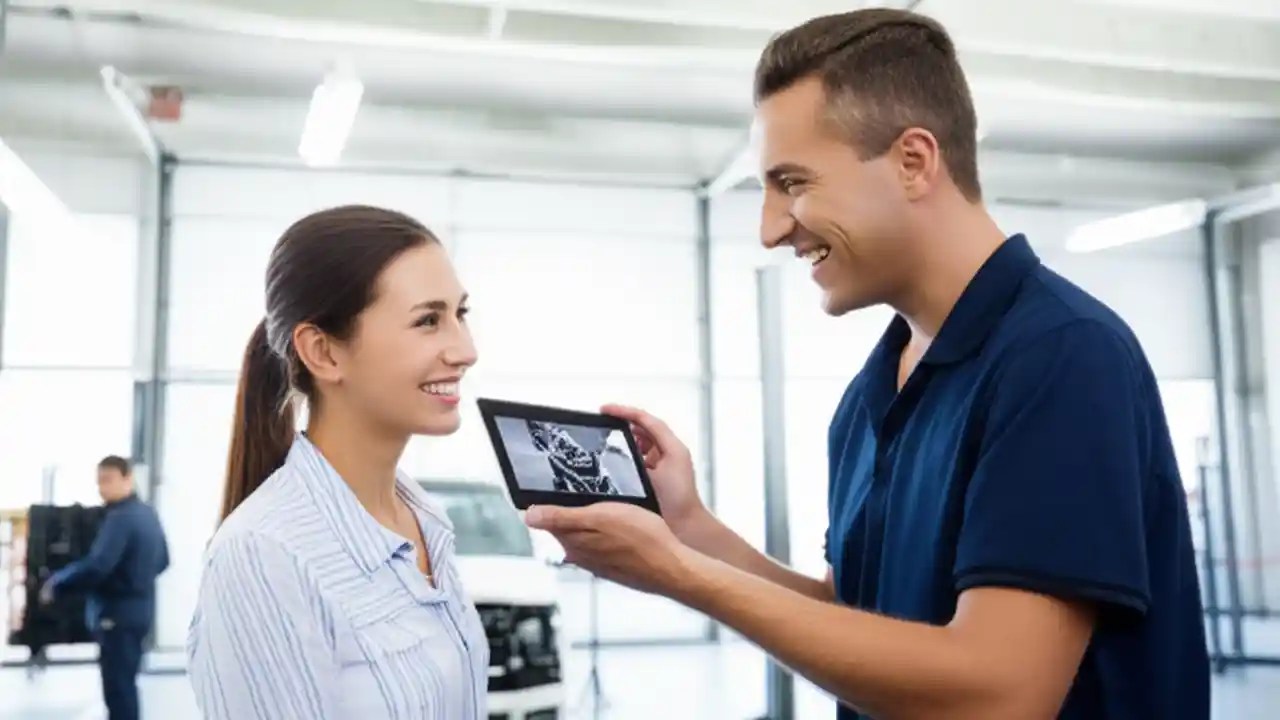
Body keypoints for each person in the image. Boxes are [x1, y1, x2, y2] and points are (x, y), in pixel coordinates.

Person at [525, 8, 1210, 720]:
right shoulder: (870, 397)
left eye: (793, 183)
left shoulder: (1062, 358)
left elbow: (1000, 693)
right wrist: (690, 533)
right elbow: (855, 623)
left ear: (914, 162)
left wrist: (684, 577)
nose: (769, 229)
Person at [185, 206, 489, 719]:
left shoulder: (425, 521)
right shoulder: (264, 555)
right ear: (323, 352)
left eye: (461, 314)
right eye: (428, 321)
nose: (465, 350)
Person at [40, 455, 170, 720]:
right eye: (99, 481)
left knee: (118, 690)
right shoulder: (147, 514)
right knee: (126, 685)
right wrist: (138, 579)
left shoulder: (120, 518)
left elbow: (99, 565)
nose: (102, 488)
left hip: (116, 615)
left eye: (108, 480)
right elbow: (164, 560)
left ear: (127, 478)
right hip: (140, 612)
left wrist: (57, 583)